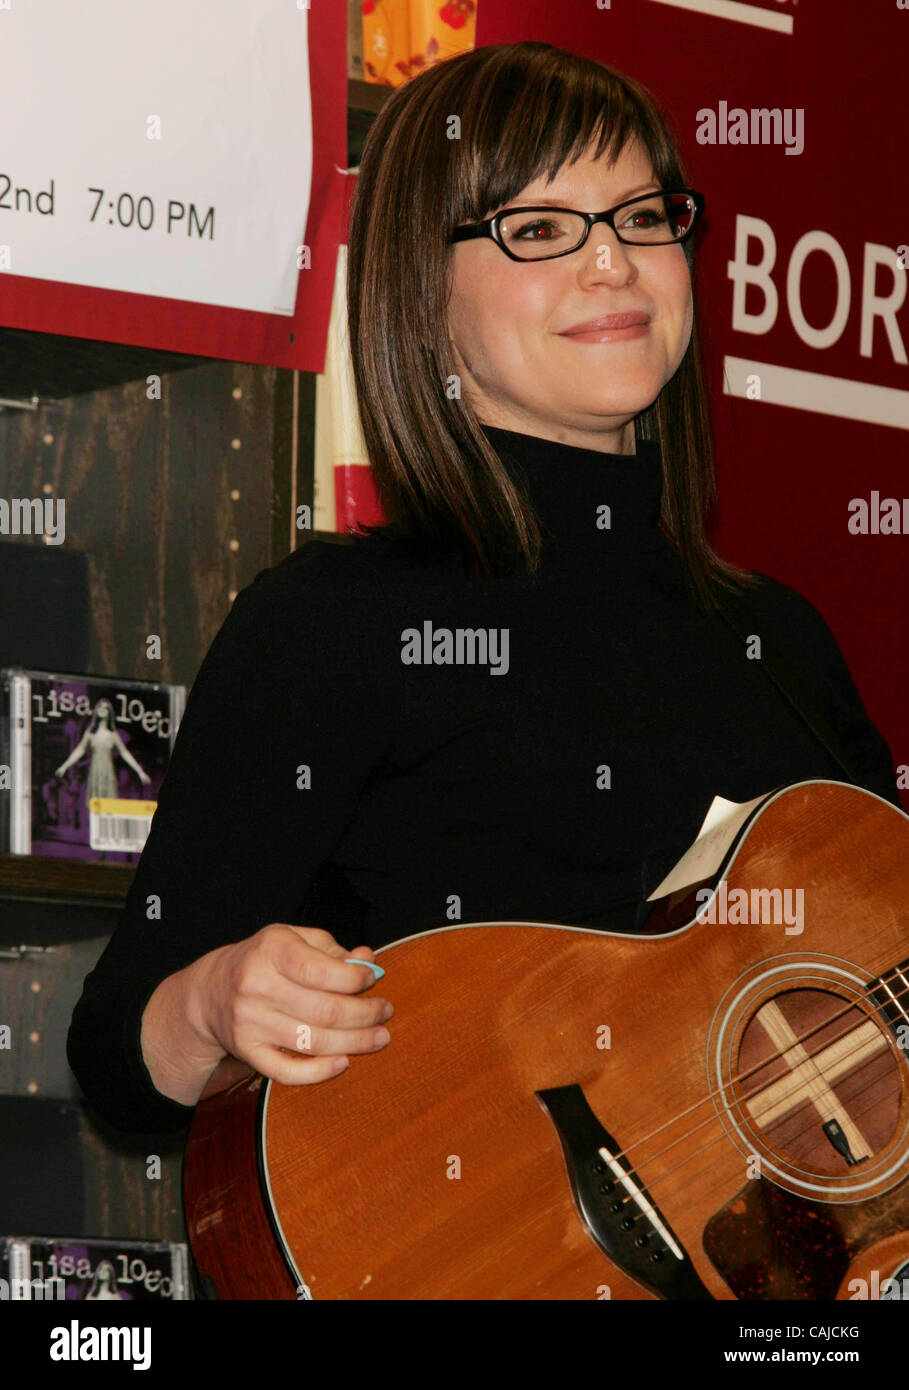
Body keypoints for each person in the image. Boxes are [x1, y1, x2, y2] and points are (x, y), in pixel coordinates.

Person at [67, 42, 897, 1138]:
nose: (612, 263)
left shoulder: (778, 639)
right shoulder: (333, 623)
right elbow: (118, 1064)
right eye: (539, 229)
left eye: (644, 216)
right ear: (424, 288)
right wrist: (215, 999)